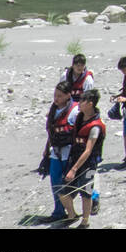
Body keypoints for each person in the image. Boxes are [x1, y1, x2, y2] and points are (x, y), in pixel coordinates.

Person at [58, 90, 105, 227]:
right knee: (62, 191)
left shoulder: (95, 126)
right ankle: (72, 215)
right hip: (74, 158)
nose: (79, 103)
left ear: (90, 104)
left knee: (86, 194)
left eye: (83, 101)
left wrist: (74, 169)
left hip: (89, 164)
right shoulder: (79, 117)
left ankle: (85, 222)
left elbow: (88, 150)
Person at [42, 80, 79, 221]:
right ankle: (59, 211)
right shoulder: (53, 110)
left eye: (59, 96)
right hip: (55, 152)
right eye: (55, 95)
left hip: (69, 152)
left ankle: (92, 199)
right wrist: (46, 149)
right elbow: (51, 132)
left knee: (74, 183)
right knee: (55, 182)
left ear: (68, 95)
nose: (56, 99)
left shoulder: (75, 111)